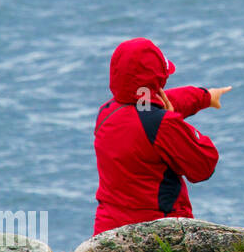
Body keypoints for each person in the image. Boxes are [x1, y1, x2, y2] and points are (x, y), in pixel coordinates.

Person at [93, 38, 232, 235]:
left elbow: (152, 105)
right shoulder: (163, 124)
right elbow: (204, 167)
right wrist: (176, 121)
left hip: (107, 231)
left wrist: (205, 96)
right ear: (158, 81)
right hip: (158, 234)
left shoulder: (106, 113)